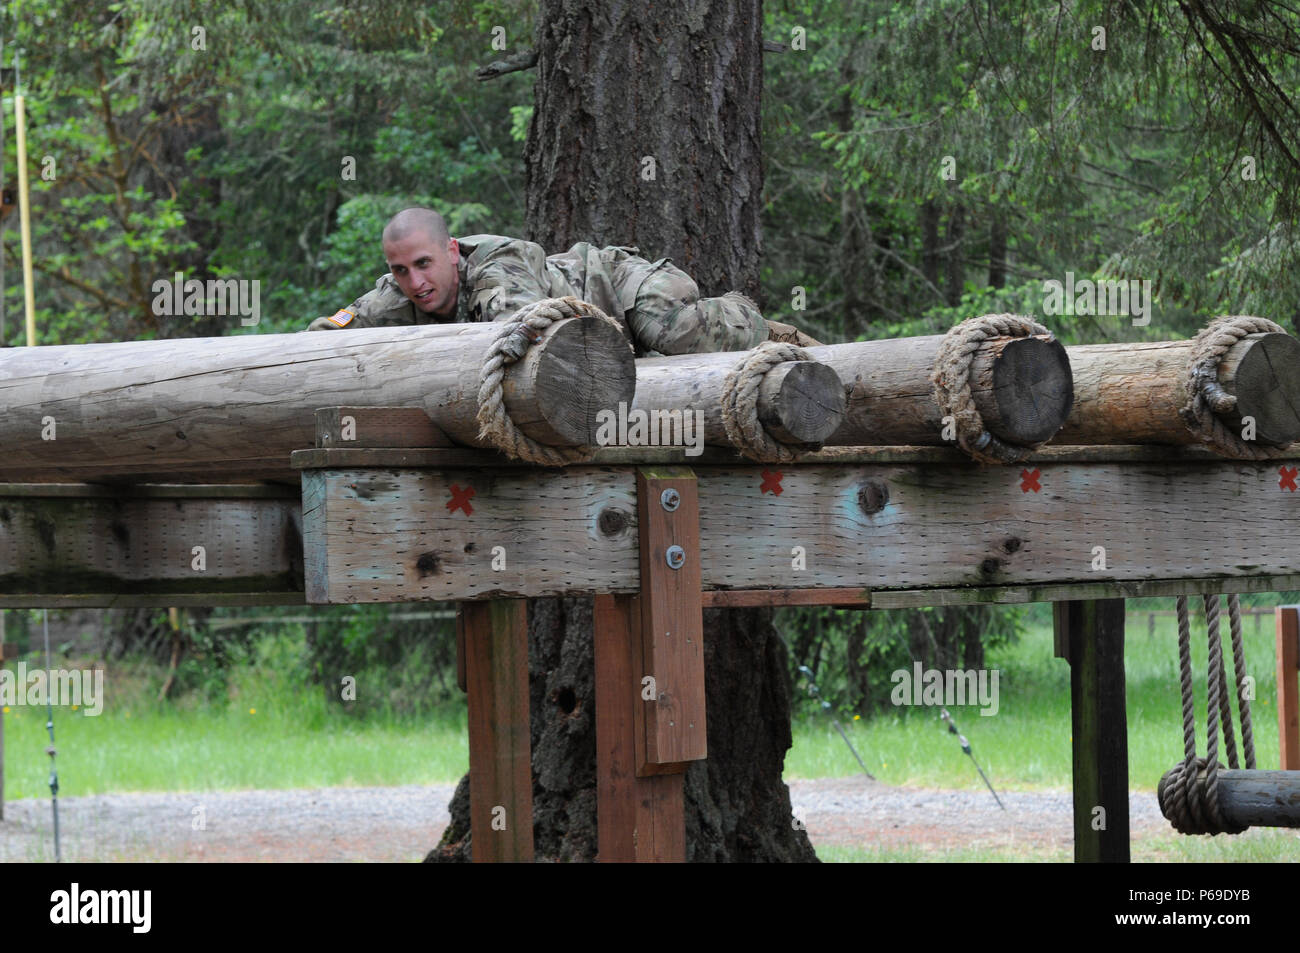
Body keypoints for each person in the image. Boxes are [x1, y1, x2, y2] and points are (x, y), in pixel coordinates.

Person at [307, 207, 820, 353]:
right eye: (400, 270)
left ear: (450, 250)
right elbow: (322, 338)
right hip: (592, 339)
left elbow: (519, 330)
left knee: (668, 334)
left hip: (619, 286)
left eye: (423, 264)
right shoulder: (396, 294)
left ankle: (749, 320)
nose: (414, 282)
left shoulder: (496, 264)